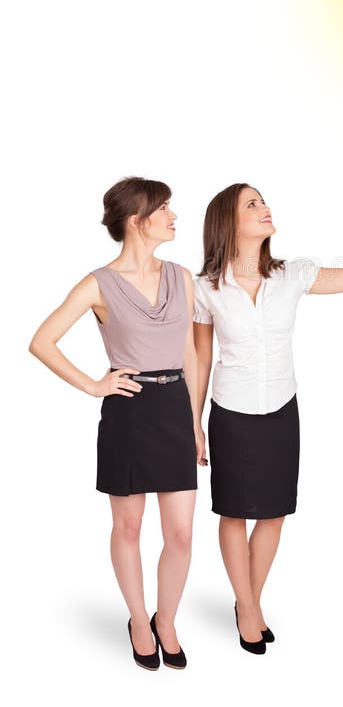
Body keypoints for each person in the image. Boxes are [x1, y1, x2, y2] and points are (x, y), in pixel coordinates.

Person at [192, 182, 343, 654]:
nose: (265, 207)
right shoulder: (205, 290)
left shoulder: (293, 274)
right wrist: (193, 422)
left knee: (274, 511)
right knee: (233, 512)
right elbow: (200, 359)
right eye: (251, 204)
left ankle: (248, 603)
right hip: (230, 411)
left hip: (281, 408)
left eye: (263, 200)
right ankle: (248, 607)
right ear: (227, 223)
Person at [28, 176, 207, 671]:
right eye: (165, 209)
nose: (175, 217)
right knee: (128, 527)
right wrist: (93, 384)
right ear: (136, 220)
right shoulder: (98, 283)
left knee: (182, 535)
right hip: (128, 413)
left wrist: (196, 422)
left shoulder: (181, 275)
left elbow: (190, 353)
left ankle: (165, 619)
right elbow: (42, 341)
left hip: (174, 408)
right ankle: (136, 619)